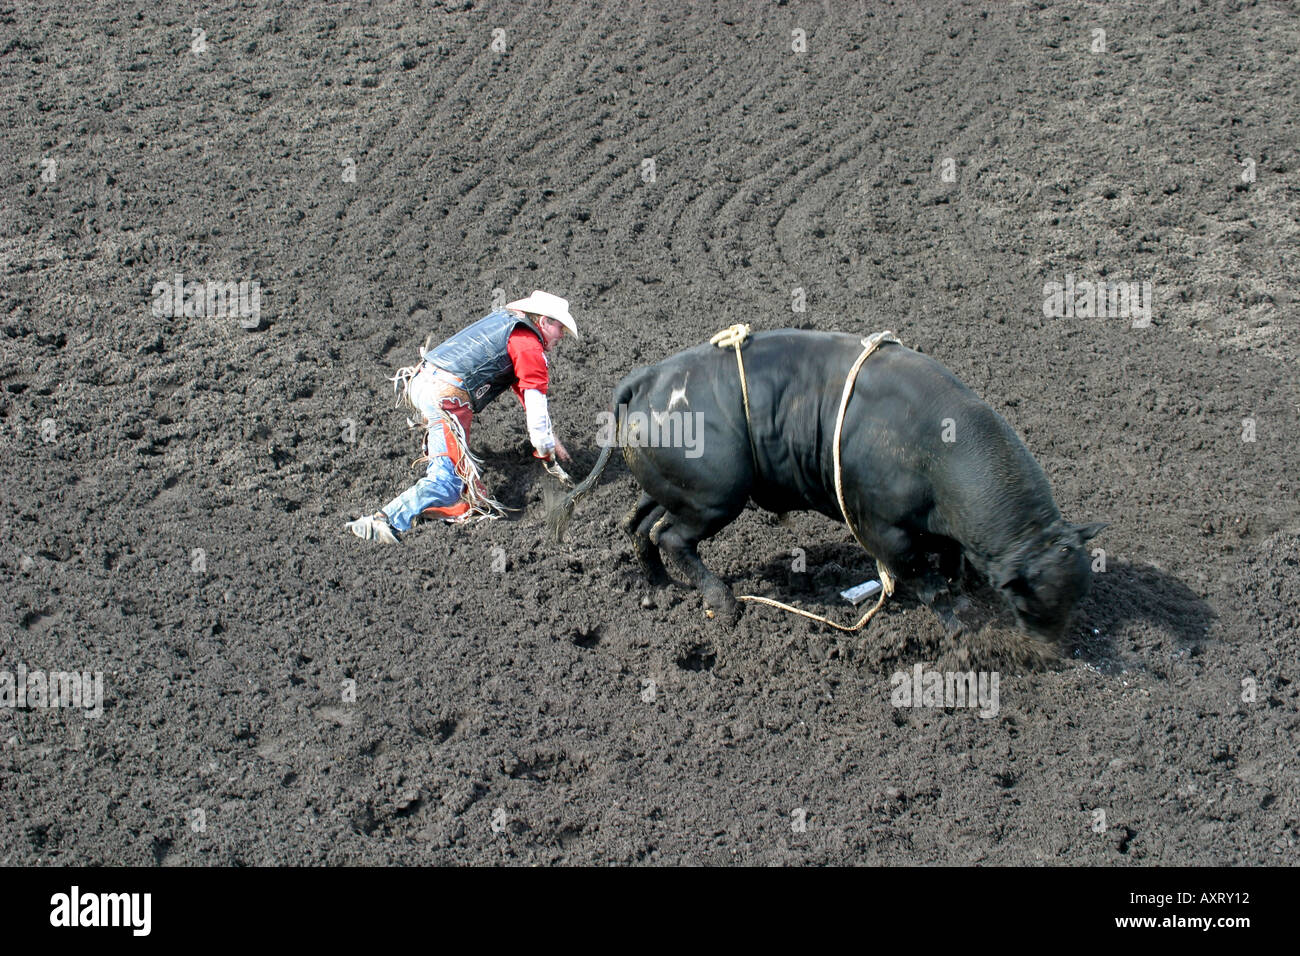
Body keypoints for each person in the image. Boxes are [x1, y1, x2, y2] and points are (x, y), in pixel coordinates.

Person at [346, 290, 579, 543]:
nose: (561, 335)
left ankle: (442, 501)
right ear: (543, 321)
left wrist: (549, 436)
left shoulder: (506, 323)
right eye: (559, 327)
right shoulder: (529, 344)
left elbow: (523, 390)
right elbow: (535, 404)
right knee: (448, 480)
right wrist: (546, 453)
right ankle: (383, 520)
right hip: (447, 398)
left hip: (422, 382)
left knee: (459, 481)